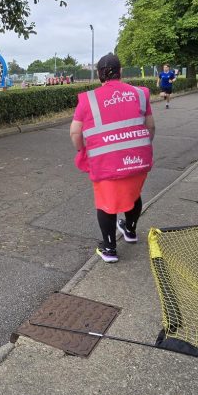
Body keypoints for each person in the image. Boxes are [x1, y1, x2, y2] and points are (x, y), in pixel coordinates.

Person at [70, 53, 155, 263]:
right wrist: (141, 145)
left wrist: (81, 150)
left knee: (106, 203)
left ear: (99, 75)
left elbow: (75, 133)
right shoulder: (140, 94)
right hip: (138, 161)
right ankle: (130, 231)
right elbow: (150, 126)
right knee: (134, 195)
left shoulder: (88, 99)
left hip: (106, 163)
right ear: (121, 72)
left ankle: (109, 248)